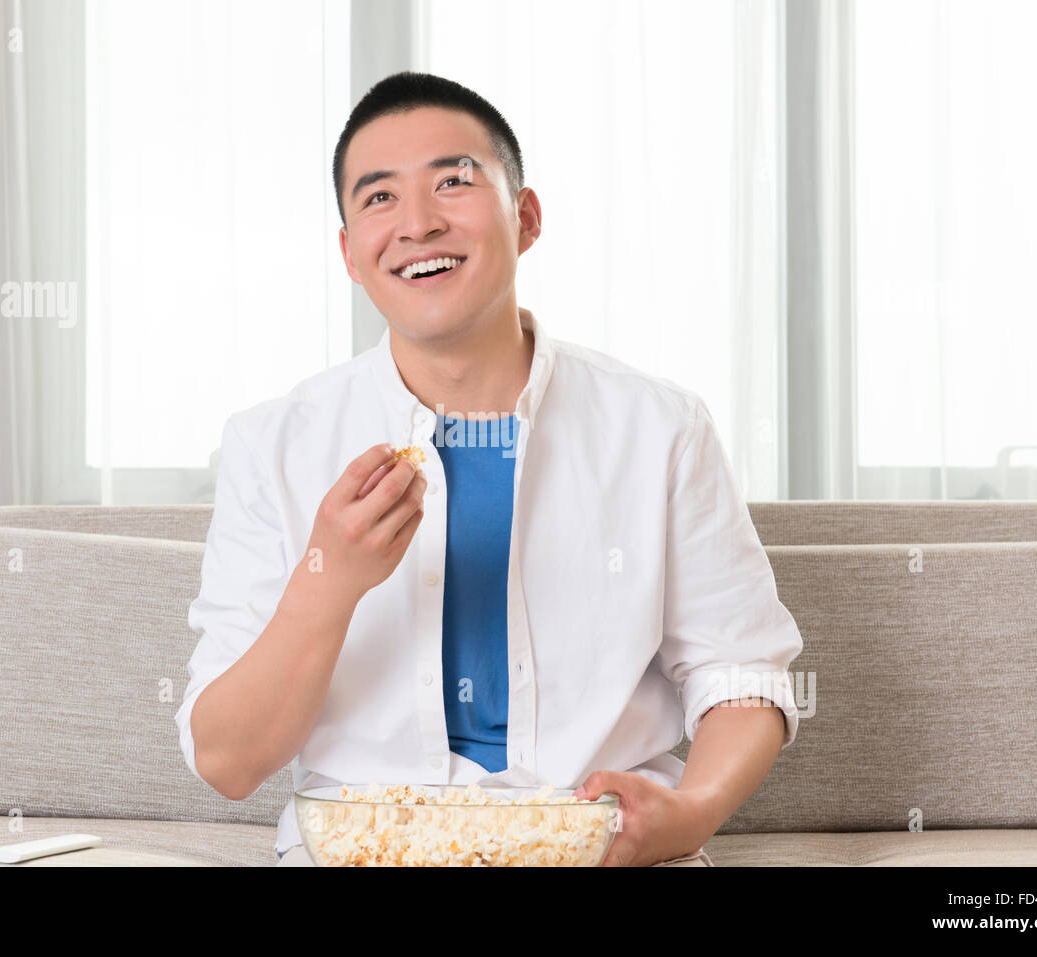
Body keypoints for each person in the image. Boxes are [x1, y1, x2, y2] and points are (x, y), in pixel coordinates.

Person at [175, 71, 804, 867]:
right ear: (349, 255)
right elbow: (227, 762)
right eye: (378, 199)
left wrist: (692, 812)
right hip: (363, 852)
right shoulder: (272, 445)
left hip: (597, 847)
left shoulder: (661, 428)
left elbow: (741, 676)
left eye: (453, 182)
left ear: (526, 216)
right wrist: (327, 578)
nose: (417, 223)